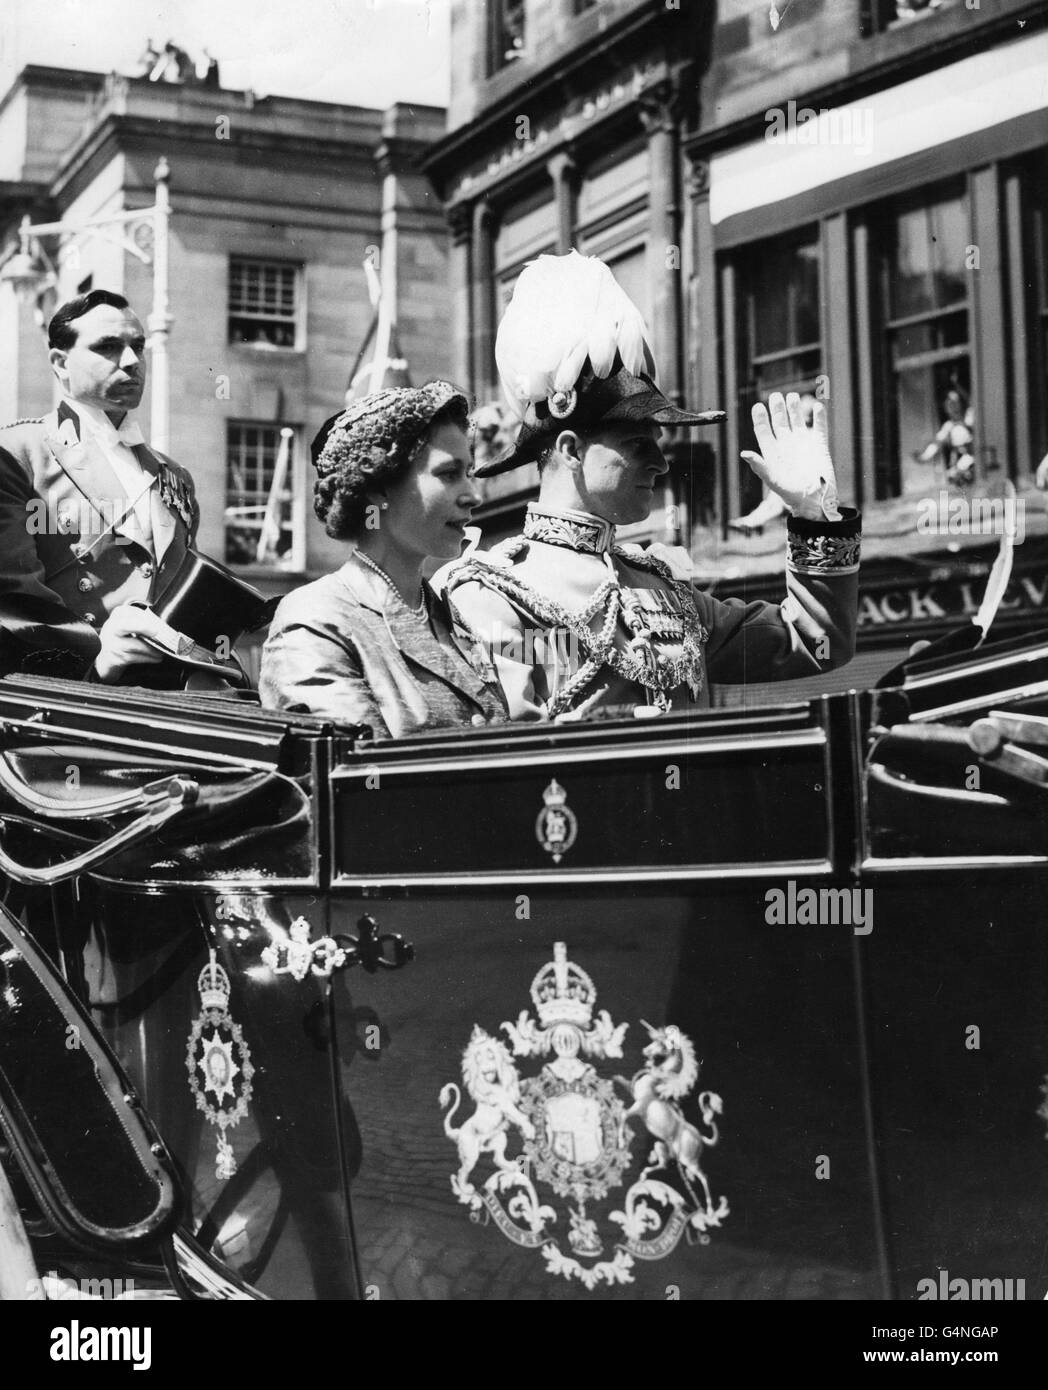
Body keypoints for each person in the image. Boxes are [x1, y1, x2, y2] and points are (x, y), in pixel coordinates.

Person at [443, 251, 861, 720]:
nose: (662, 464)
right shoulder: (491, 595)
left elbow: (819, 642)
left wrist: (814, 516)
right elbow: (503, 771)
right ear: (570, 449)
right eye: (638, 443)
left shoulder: (668, 592)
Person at [259, 381, 506, 738]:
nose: (473, 495)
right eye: (449, 474)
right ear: (378, 486)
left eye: (468, 473)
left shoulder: (450, 618)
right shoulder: (317, 619)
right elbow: (355, 775)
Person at [0, 289, 203, 684]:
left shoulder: (173, 475)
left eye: (138, 346)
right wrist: (98, 662)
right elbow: (14, 596)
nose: (131, 361)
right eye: (108, 347)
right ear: (60, 363)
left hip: (169, 698)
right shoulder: (18, 455)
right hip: (67, 696)